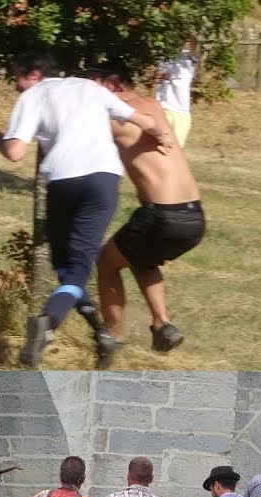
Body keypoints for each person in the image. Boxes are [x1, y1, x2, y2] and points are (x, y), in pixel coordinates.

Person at [0, 49, 174, 369]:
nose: (15, 86)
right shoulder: (90, 88)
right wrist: (163, 135)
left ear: (33, 75)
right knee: (74, 268)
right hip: (102, 181)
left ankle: (48, 323)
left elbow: (15, 152)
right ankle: (99, 333)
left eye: (17, 78)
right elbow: (143, 120)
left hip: (63, 184)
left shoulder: (34, 96)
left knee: (69, 267)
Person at [89, 60, 204, 354]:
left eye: (93, 84)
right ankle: (162, 325)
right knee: (141, 257)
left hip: (161, 215)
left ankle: (111, 339)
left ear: (111, 84)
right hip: (194, 216)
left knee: (107, 262)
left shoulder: (117, 117)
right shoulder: (152, 104)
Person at [156, 35, 200, 148]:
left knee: (176, 150)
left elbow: (195, 45)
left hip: (180, 112)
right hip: (162, 108)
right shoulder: (162, 56)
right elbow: (155, 77)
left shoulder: (188, 56)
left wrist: (189, 32)